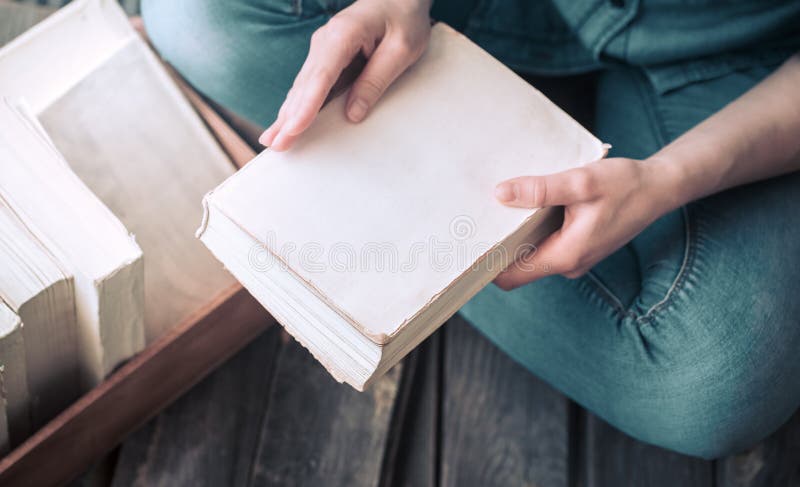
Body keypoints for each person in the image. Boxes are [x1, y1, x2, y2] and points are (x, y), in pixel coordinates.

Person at [141, 0, 800, 458]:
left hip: (735, 73)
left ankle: (410, 259)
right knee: (199, 17)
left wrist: (669, 179)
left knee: (712, 379)